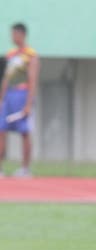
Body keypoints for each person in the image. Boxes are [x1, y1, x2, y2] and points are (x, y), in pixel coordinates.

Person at [0, 22, 40, 177]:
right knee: (1, 130)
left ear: (22, 34)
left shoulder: (31, 55)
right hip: (8, 95)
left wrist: (29, 103)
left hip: (22, 95)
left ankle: (25, 168)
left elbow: (33, 80)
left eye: (15, 34)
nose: (12, 37)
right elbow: (5, 78)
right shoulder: (10, 55)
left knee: (24, 131)